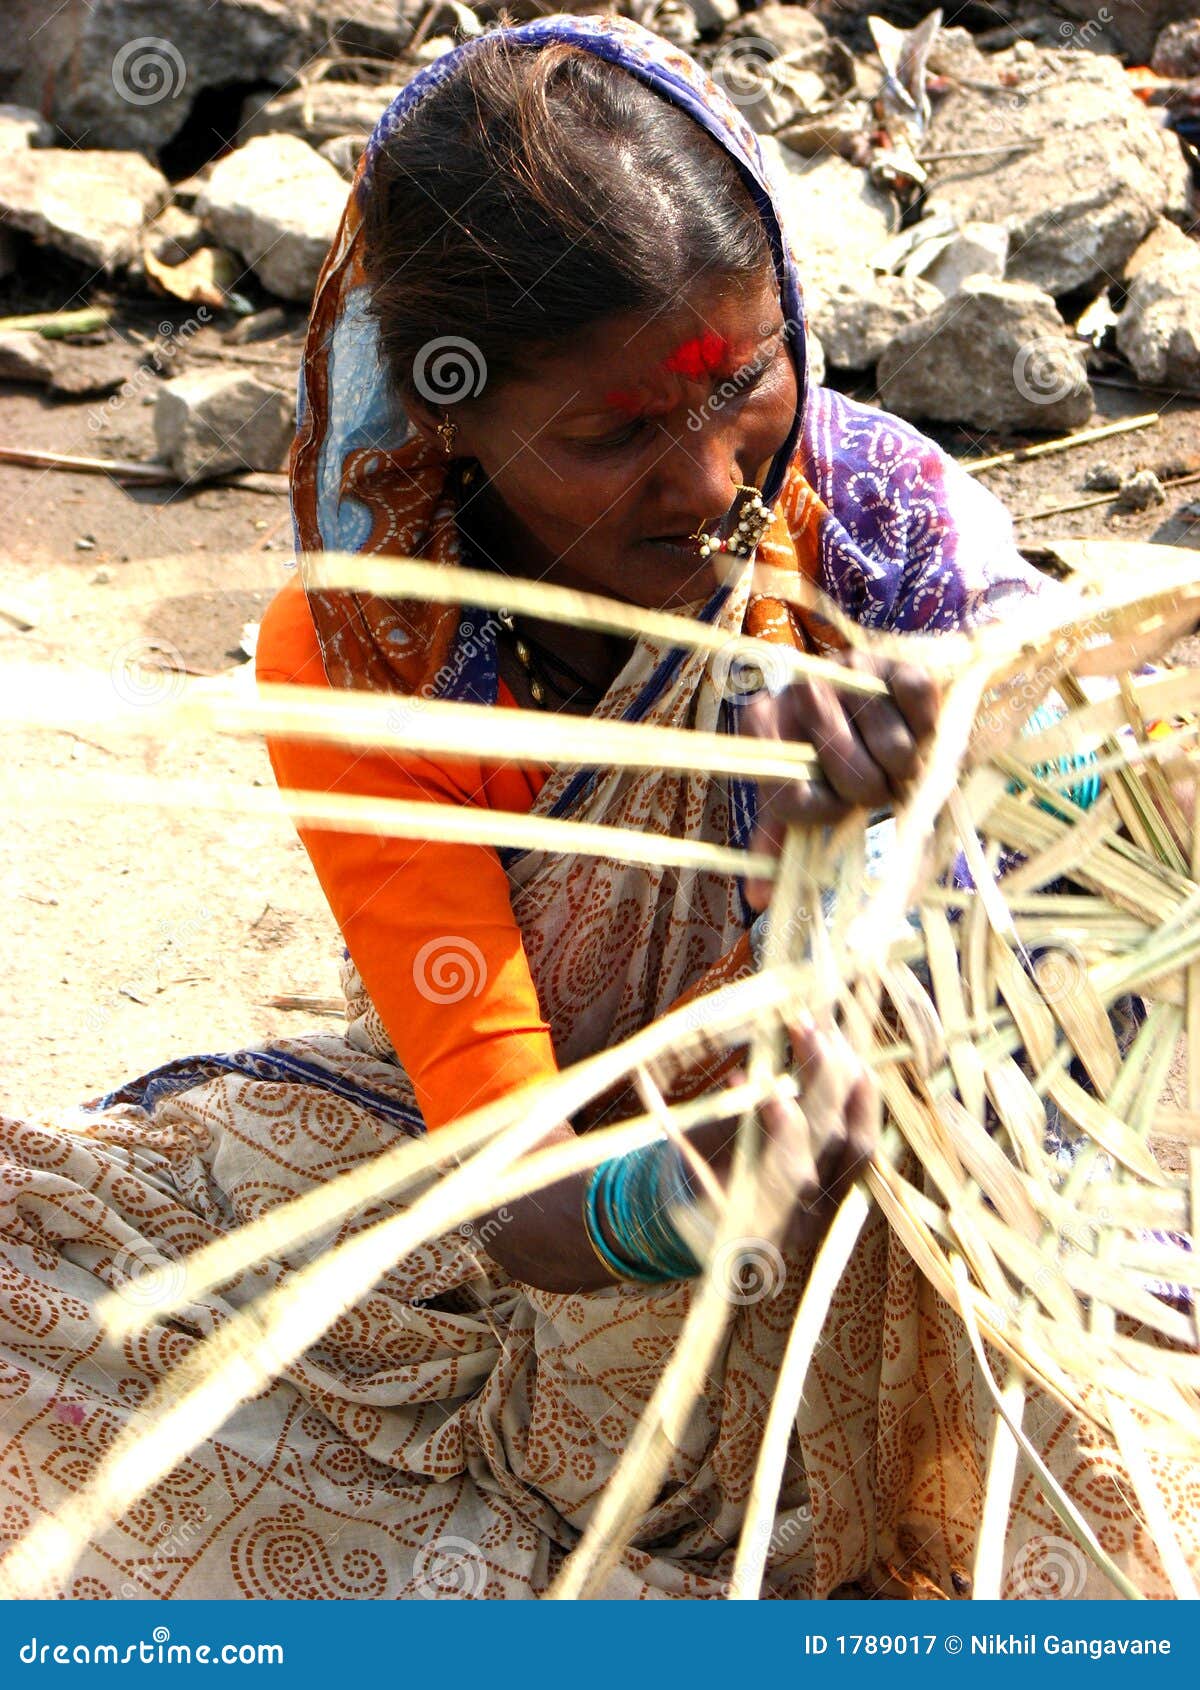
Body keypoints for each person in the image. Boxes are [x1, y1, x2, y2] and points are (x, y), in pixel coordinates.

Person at [0, 14, 1177, 1600]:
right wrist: (690, 1195)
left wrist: (968, 777)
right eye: (613, 434)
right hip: (557, 1182)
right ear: (449, 417)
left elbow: (1127, 844)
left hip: (903, 1240)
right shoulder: (375, 653)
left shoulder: (879, 516)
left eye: (743, 383)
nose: (708, 484)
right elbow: (518, 1183)